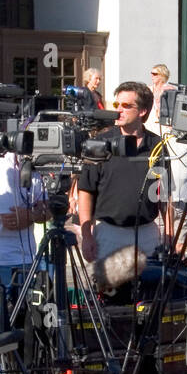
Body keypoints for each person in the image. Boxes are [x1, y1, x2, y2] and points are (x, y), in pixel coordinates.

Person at [78, 81, 164, 263]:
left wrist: (171, 233)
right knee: (110, 291)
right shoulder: (100, 142)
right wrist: (87, 235)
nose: (119, 110)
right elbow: (86, 190)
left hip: (146, 234)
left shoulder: (157, 145)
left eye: (126, 106)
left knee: (150, 290)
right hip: (109, 234)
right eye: (117, 105)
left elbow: (166, 194)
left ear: (142, 111)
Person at [0, 150, 46, 289]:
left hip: (28, 257)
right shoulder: (0, 166)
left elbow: (48, 210)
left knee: (29, 309)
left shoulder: (35, 166)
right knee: (2, 309)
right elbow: (11, 221)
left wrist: (30, 215)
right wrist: (35, 214)